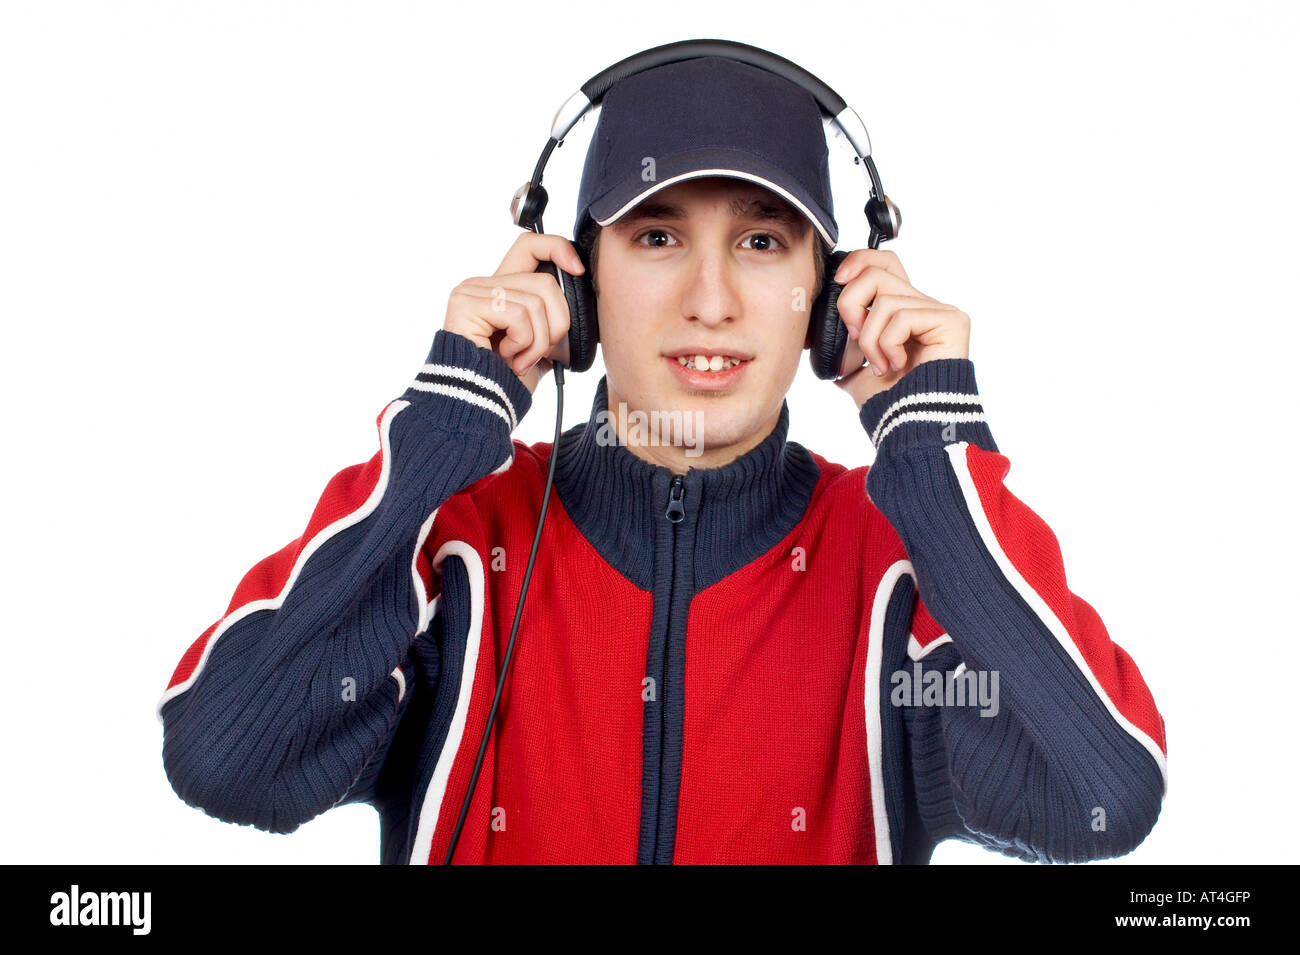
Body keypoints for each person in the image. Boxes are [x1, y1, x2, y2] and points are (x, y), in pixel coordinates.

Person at [157, 53, 1167, 864]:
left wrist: (933, 444)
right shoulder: (460, 536)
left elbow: (1094, 798)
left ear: (828, 299)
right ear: (577, 283)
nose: (712, 300)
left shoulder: (899, 558)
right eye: (655, 236)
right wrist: (445, 425)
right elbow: (227, 760)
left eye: (764, 242)